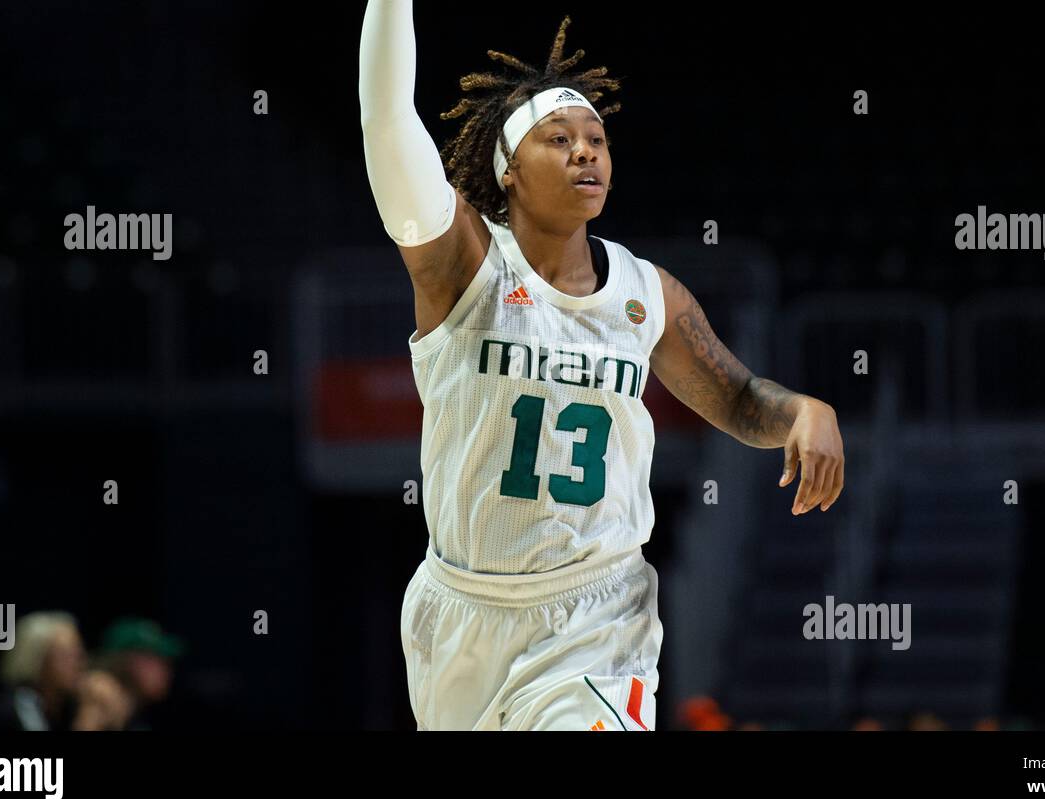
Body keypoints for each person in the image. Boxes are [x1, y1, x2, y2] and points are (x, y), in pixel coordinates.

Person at [360, 2, 845, 730]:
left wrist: (806, 411)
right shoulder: (465, 265)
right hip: (461, 614)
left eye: (596, 139)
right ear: (510, 172)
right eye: (559, 139)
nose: (585, 151)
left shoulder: (647, 294)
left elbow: (741, 400)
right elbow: (388, 121)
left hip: (598, 613)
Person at [0, 611, 85, 731]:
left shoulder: (68, 705)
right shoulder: (18, 706)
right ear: (37, 660)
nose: (78, 664)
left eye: (78, 655)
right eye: (66, 656)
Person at [96, 617, 183, 730]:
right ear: (124, 659)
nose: (166, 669)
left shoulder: (137, 720)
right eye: (152, 658)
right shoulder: (92, 706)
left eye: (166, 661)